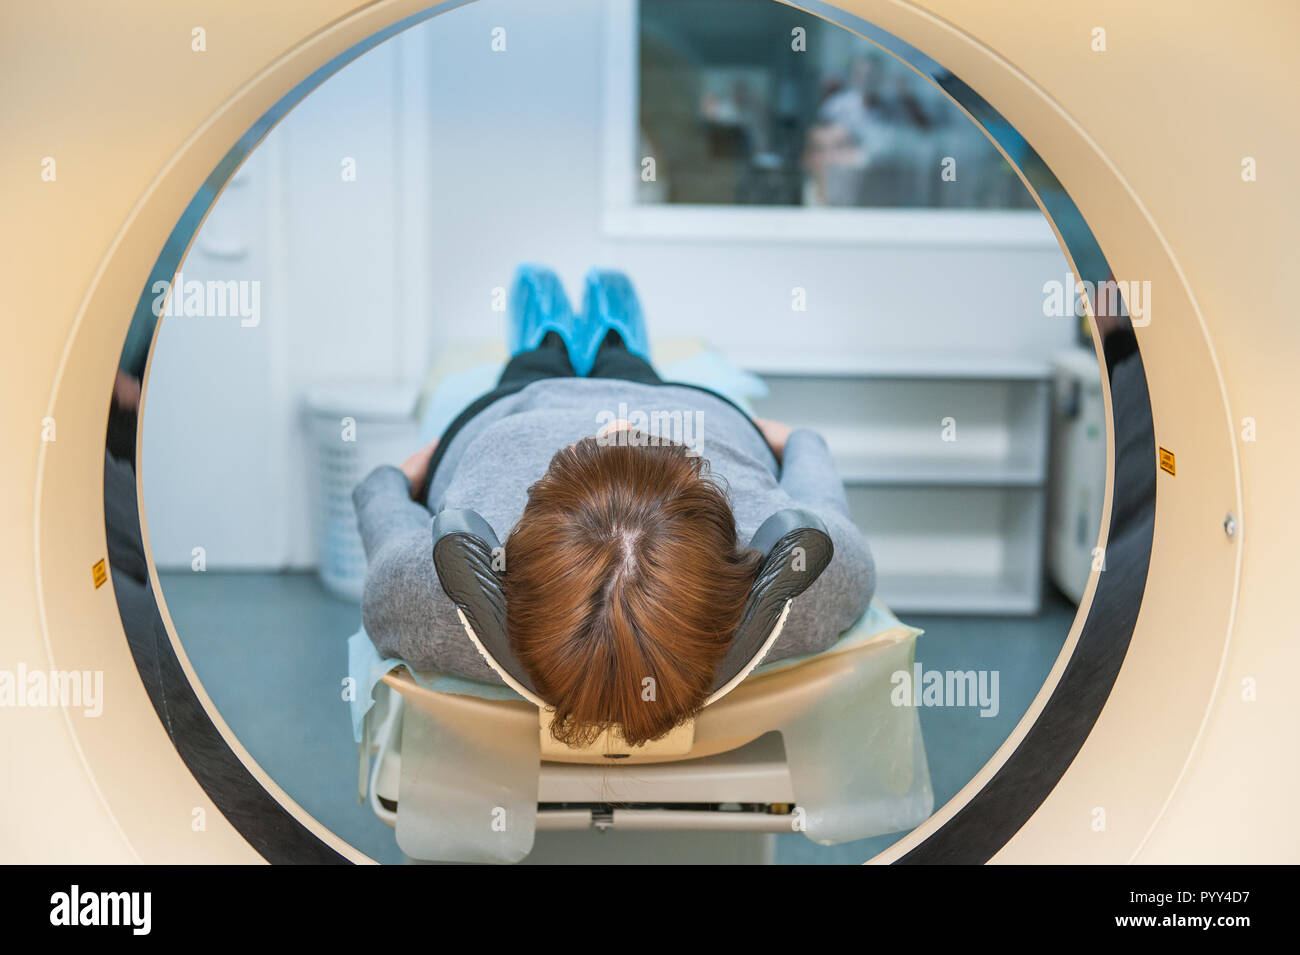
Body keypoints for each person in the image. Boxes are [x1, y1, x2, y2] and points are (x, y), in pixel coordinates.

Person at [352, 267, 875, 746]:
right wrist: (796, 440)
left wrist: (395, 477)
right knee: (631, 365)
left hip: (523, 405)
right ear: (738, 552)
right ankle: (612, 333)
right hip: (690, 410)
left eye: (603, 443)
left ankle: (552, 333)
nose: (619, 425)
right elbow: (818, 488)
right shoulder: (806, 583)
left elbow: (386, 525)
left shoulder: (444, 598)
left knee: (531, 365)